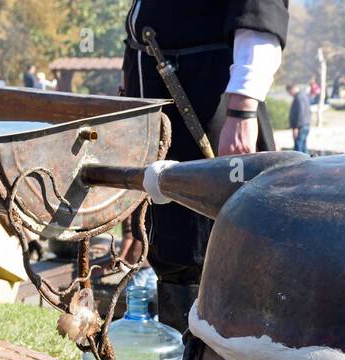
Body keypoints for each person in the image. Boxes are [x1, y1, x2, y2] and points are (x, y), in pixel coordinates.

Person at [121, 0, 289, 334]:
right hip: (160, 96)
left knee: (215, 246)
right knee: (170, 243)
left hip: (209, 102)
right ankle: (183, 354)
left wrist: (242, 110)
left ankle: (217, 358)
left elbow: (258, 13)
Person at [287, 82, 311, 153]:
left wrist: (296, 127)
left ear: (292, 89)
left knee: (298, 148)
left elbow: (301, 113)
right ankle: (307, 159)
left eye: (289, 92)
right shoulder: (303, 95)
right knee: (303, 147)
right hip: (305, 124)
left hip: (301, 126)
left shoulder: (299, 97)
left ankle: (301, 160)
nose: (289, 94)